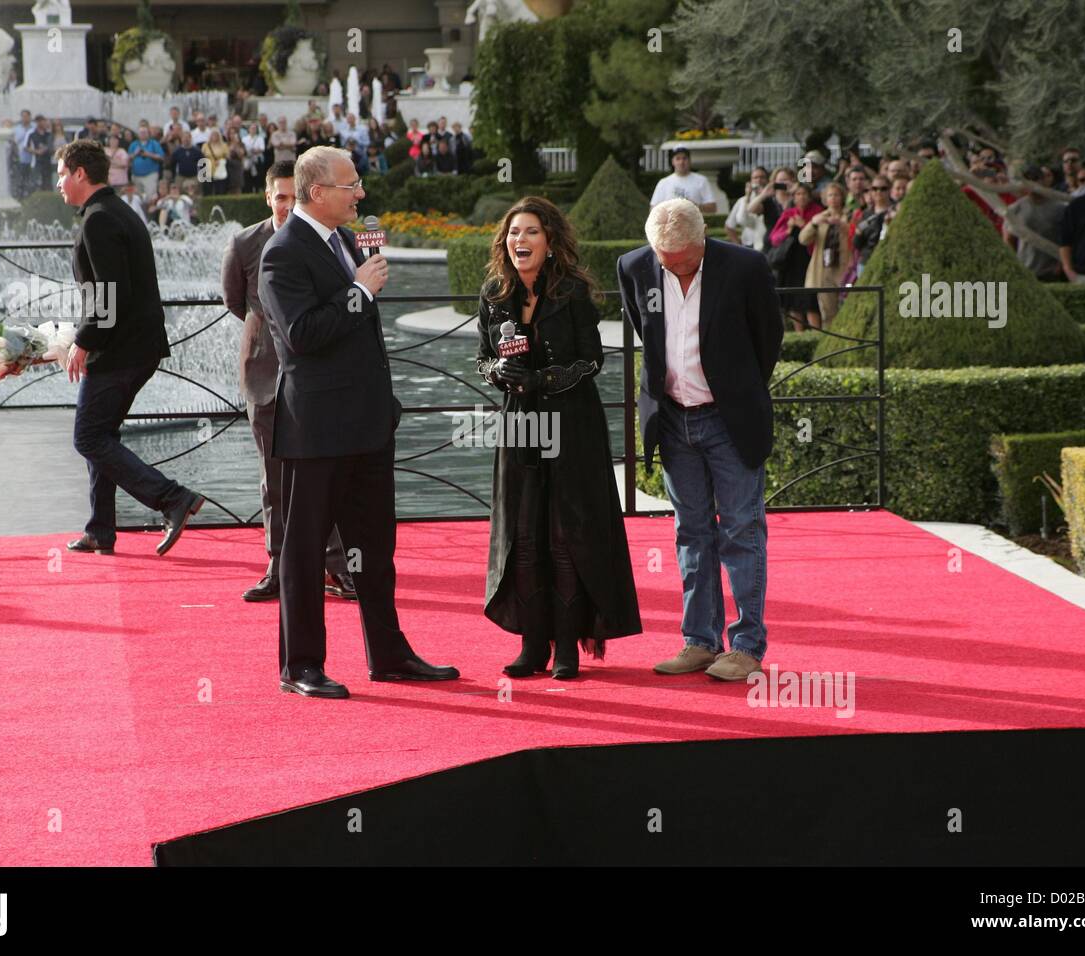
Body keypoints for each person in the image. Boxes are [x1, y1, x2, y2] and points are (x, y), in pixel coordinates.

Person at [257, 146, 459, 698]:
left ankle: (388, 654)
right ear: (318, 192)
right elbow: (301, 335)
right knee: (304, 550)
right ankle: (300, 665)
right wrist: (360, 291)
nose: (361, 193)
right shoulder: (282, 252)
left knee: (374, 547)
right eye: (352, 185)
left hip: (368, 425)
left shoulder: (345, 240)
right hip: (317, 430)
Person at [474, 197, 642, 680]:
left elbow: (592, 360)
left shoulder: (573, 291)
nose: (520, 240)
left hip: (571, 423)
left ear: (549, 241)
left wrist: (543, 379)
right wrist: (498, 371)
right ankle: (533, 646)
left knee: (566, 534)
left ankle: (566, 646)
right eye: (514, 232)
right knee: (524, 533)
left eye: (530, 231)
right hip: (520, 423)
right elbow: (482, 358)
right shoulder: (494, 292)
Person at [617, 198, 783, 681]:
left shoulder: (746, 267)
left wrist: (737, 391)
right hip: (672, 420)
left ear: (703, 238)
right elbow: (646, 333)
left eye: (685, 261)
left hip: (729, 420)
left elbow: (768, 338)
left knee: (741, 531)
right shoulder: (633, 267)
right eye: (666, 261)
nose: (675, 268)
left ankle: (746, 646)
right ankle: (700, 641)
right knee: (690, 533)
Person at [55, 139, 205, 558]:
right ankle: (100, 529)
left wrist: (84, 341)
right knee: (102, 434)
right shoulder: (115, 211)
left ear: (80, 173)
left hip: (120, 351)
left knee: (88, 437)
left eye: (62, 174)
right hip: (133, 347)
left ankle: (172, 498)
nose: (59, 183)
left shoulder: (100, 219)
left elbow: (111, 293)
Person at [221, 160, 358, 603]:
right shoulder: (245, 244)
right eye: (277, 197)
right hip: (263, 375)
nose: (284, 205)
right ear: (267, 198)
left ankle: (336, 565)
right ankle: (279, 565)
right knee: (274, 476)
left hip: (316, 375)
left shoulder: (328, 239)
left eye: (290, 196)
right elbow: (235, 302)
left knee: (325, 472)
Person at [767, 182, 822, 328]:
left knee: (811, 302)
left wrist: (804, 225)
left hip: (810, 261)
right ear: (794, 197)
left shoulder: (817, 212)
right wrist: (789, 229)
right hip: (791, 263)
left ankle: (816, 333)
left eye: (804, 194)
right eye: (798, 194)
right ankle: (800, 333)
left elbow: (820, 237)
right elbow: (774, 238)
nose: (801, 197)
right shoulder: (789, 213)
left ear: (810, 196)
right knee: (793, 303)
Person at [799, 180, 853, 327]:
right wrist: (813, 224)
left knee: (847, 307)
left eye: (836, 195)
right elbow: (803, 239)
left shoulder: (849, 214)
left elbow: (856, 235)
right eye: (830, 195)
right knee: (828, 311)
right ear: (825, 198)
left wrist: (843, 225)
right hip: (825, 269)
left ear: (842, 197)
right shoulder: (820, 217)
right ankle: (830, 338)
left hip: (845, 267)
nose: (833, 198)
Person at [1002, 165, 1065, 280]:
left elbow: (1067, 239)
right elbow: (1009, 240)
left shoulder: (1061, 208)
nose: (1033, 183)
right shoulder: (1015, 209)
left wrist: (1061, 265)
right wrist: (1015, 266)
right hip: (1025, 270)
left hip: (1052, 271)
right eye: (1028, 179)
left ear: (1044, 180)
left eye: (1036, 178)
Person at [650, 147, 723, 214]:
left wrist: (695, 206)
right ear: (673, 162)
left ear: (689, 160)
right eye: (678, 159)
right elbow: (653, 209)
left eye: (684, 158)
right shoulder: (663, 182)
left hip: (694, 222)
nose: (681, 162)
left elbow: (713, 208)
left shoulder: (701, 180)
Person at [725, 165, 769, 249]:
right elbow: (729, 226)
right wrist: (739, 246)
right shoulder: (742, 201)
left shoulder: (772, 199)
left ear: (767, 180)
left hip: (767, 245)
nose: (759, 180)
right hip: (748, 245)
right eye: (755, 178)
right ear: (751, 181)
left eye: (762, 177)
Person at [128, 122, 165, 198]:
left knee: (150, 197)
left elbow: (161, 157)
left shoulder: (154, 143)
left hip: (150, 175)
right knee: (137, 197)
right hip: (136, 175)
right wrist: (135, 153)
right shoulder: (133, 144)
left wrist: (148, 154)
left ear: (148, 133)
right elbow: (128, 158)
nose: (143, 134)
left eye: (144, 132)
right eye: (141, 132)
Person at [201, 128, 230, 196]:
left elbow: (227, 157)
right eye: (212, 134)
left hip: (219, 169)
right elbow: (201, 156)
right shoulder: (205, 145)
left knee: (220, 190)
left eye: (216, 135)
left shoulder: (224, 145)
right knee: (208, 190)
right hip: (207, 169)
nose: (214, 136)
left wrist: (221, 161)